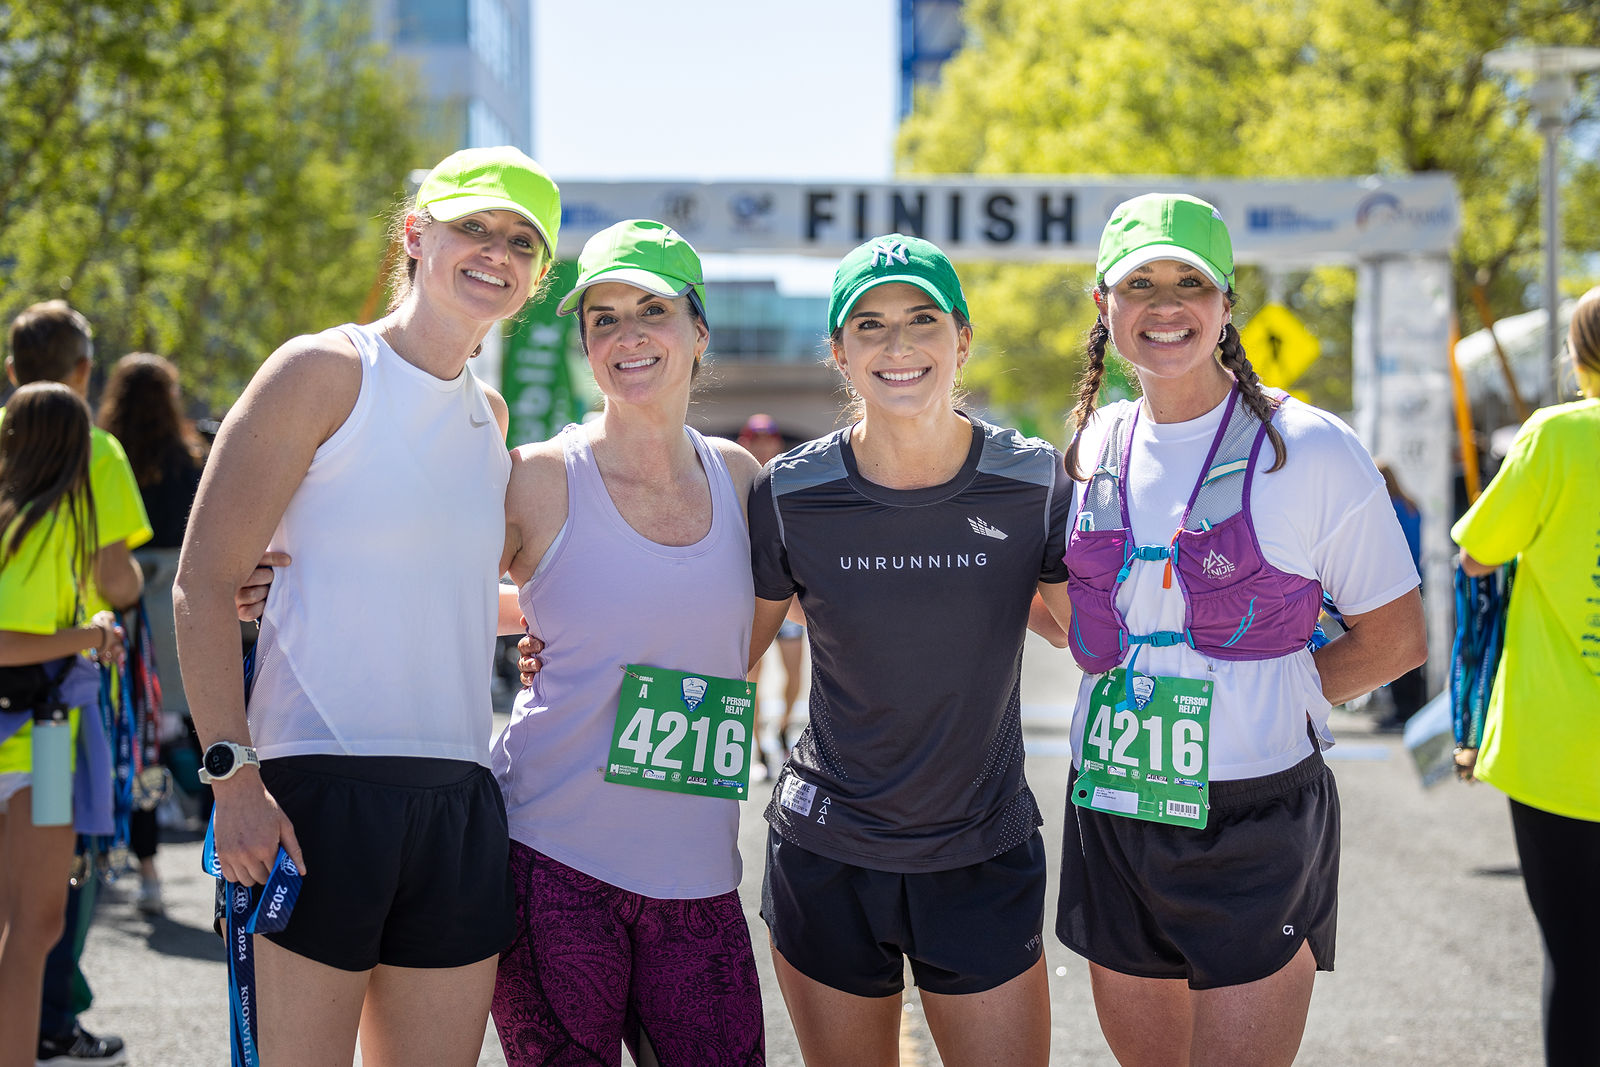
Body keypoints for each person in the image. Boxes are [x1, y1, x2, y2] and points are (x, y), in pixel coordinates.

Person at [173, 145, 559, 1066]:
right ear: (416, 235)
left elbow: (448, 595)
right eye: (474, 227)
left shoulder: (492, 418)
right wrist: (233, 779)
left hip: (460, 802)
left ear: (537, 276)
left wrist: (565, 626)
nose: (495, 253)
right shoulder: (322, 370)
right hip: (315, 791)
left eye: (520, 241)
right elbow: (202, 581)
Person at [1051, 193, 1425, 1066]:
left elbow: (1396, 637)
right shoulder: (1092, 445)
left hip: (1253, 816)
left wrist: (1278, 691)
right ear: (1103, 303)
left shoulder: (1310, 449)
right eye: (1140, 282)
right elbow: (1074, 612)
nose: (1167, 304)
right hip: (1113, 800)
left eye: (1192, 281)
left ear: (1226, 304)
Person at [747, 233, 1074, 1066]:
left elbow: (1090, 632)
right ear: (840, 351)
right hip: (827, 854)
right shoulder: (790, 493)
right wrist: (560, 647)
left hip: (983, 848)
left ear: (961, 339)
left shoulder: (1033, 482)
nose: (898, 346)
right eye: (870, 325)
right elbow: (723, 657)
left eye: (921, 320)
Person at [489, 219, 766, 1066]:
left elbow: (737, 634)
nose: (627, 335)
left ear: (698, 330)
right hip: (552, 862)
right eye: (602, 318)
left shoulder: (743, 479)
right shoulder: (539, 475)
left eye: (651, 309)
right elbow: (436, 592)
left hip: (700, 875)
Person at [1451, 283, 1600, 1067]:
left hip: (1556, 750)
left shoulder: (1558, 436)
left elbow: (1478, 551)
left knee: (1576, 960)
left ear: (1578, 358)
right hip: (1556, 752)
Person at [6, 301, 149, 1067]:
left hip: (48, 730)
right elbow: (114, 585)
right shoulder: (86, 472)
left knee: (32, 925)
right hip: (50, 729)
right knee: (36, 924)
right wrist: (91, 632)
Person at [98, 352, 208, 916]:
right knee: (203, 726)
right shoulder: (192, 462)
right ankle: (227, 857)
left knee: (135, 736)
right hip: (180, 606)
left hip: (125, 606)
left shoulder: (105, 459)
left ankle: (146, 870)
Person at [737, 413, 804, 772]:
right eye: (755, 437)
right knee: (751, 677)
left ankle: (779, 729)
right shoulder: (737, 478)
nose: (763, 443)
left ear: (777, 442)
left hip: (788, 591)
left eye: (769, 437)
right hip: (749, 593)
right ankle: (757, 747)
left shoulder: (789, 477)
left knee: (795, 672)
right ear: (746, 442)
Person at [1374, 461, 1426, 731]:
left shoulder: (1385, 509)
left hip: (1391, 584)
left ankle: (1401, 711)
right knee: (1412, 649)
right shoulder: (1411, 506)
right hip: (1416, 581)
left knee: (1393, 649)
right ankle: (1410, 709)